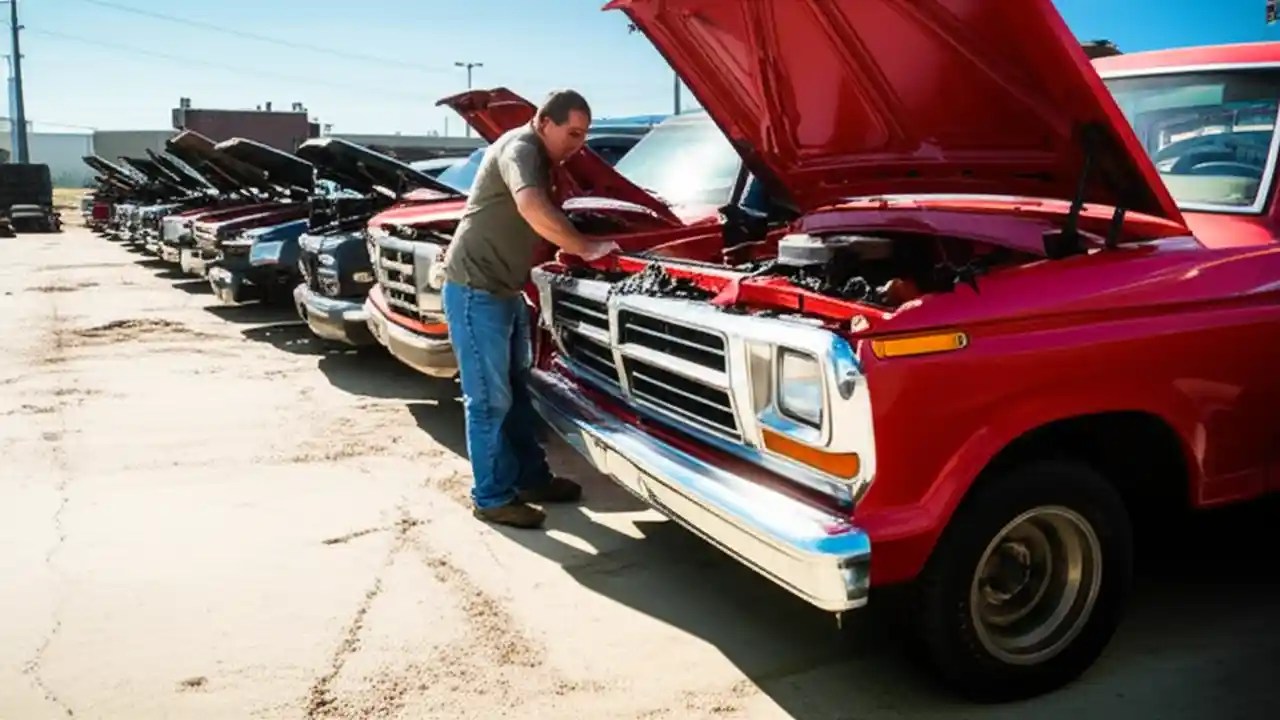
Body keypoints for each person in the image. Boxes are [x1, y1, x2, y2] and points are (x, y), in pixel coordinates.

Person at [441, 89, 619, 529]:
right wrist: (584, 247)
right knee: (488, 401)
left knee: (518, 394)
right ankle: (491, 497)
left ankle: (531, 479)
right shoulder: (521, 147)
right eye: (573, 132)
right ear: (544, 122)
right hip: (474, 290)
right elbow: (530, 205)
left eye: (585, 135)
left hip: (504, 291)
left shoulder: (543, 157)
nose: (579, 144)